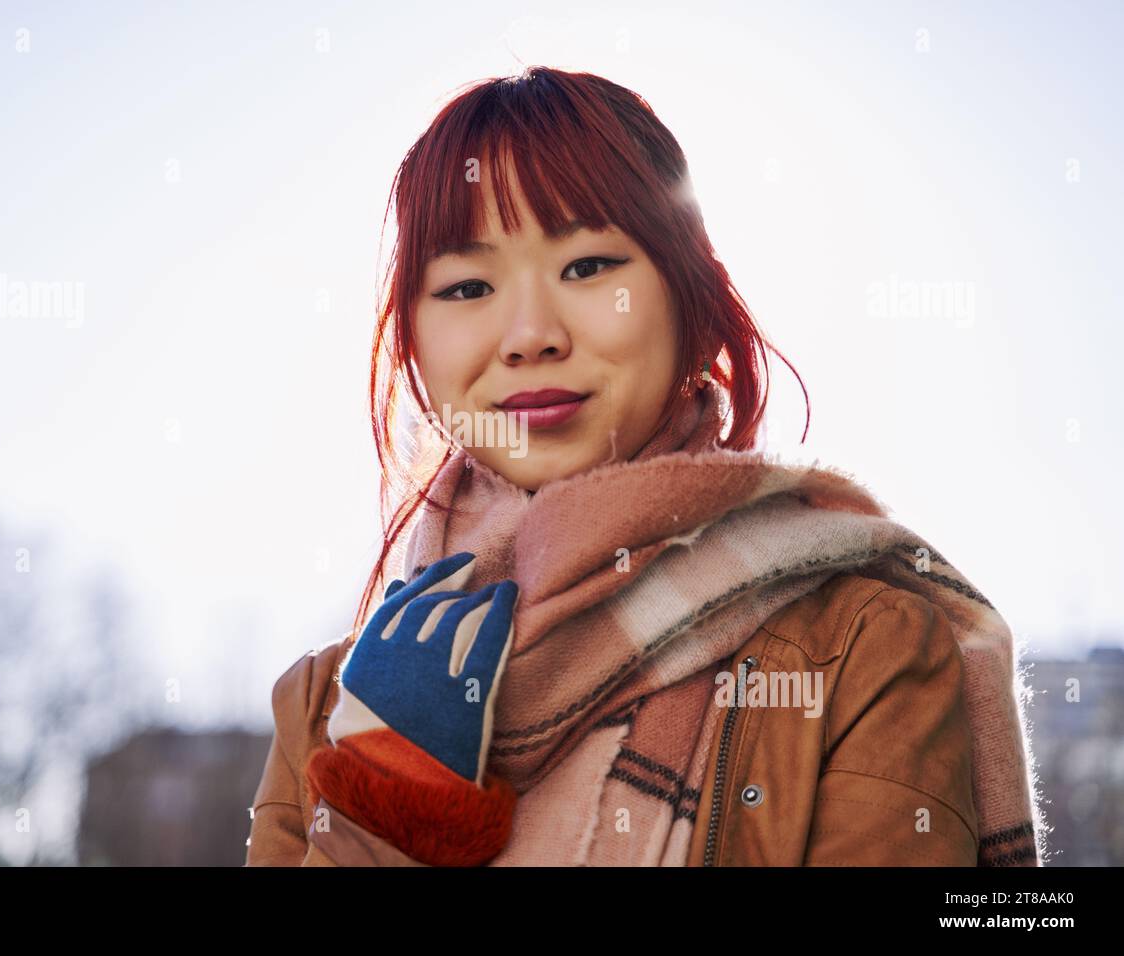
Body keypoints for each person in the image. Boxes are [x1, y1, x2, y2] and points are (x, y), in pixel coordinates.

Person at [245, 66, 1044, 867]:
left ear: (695, 309)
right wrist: (386, 817)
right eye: (468, 285)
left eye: (589, 266)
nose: (529, 334)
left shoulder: (861, 651)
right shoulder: (328, 705)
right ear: (414, 342)